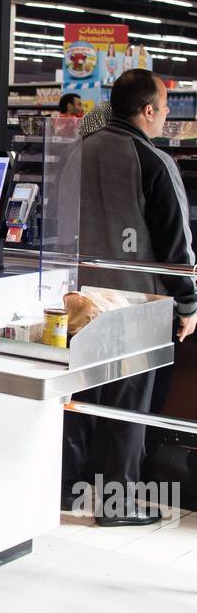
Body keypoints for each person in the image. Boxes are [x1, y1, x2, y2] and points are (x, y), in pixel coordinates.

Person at [62, 70, 196, 525]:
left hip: (79, 302)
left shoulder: (77, 151)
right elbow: (176, 248)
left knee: (77, 400)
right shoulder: (154, 161)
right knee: (128, 408)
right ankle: (117, 504)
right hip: (135, 306)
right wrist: (188, 305)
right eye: (162, 109)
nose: (164, 118)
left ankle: (67, 489)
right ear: (147, 110)